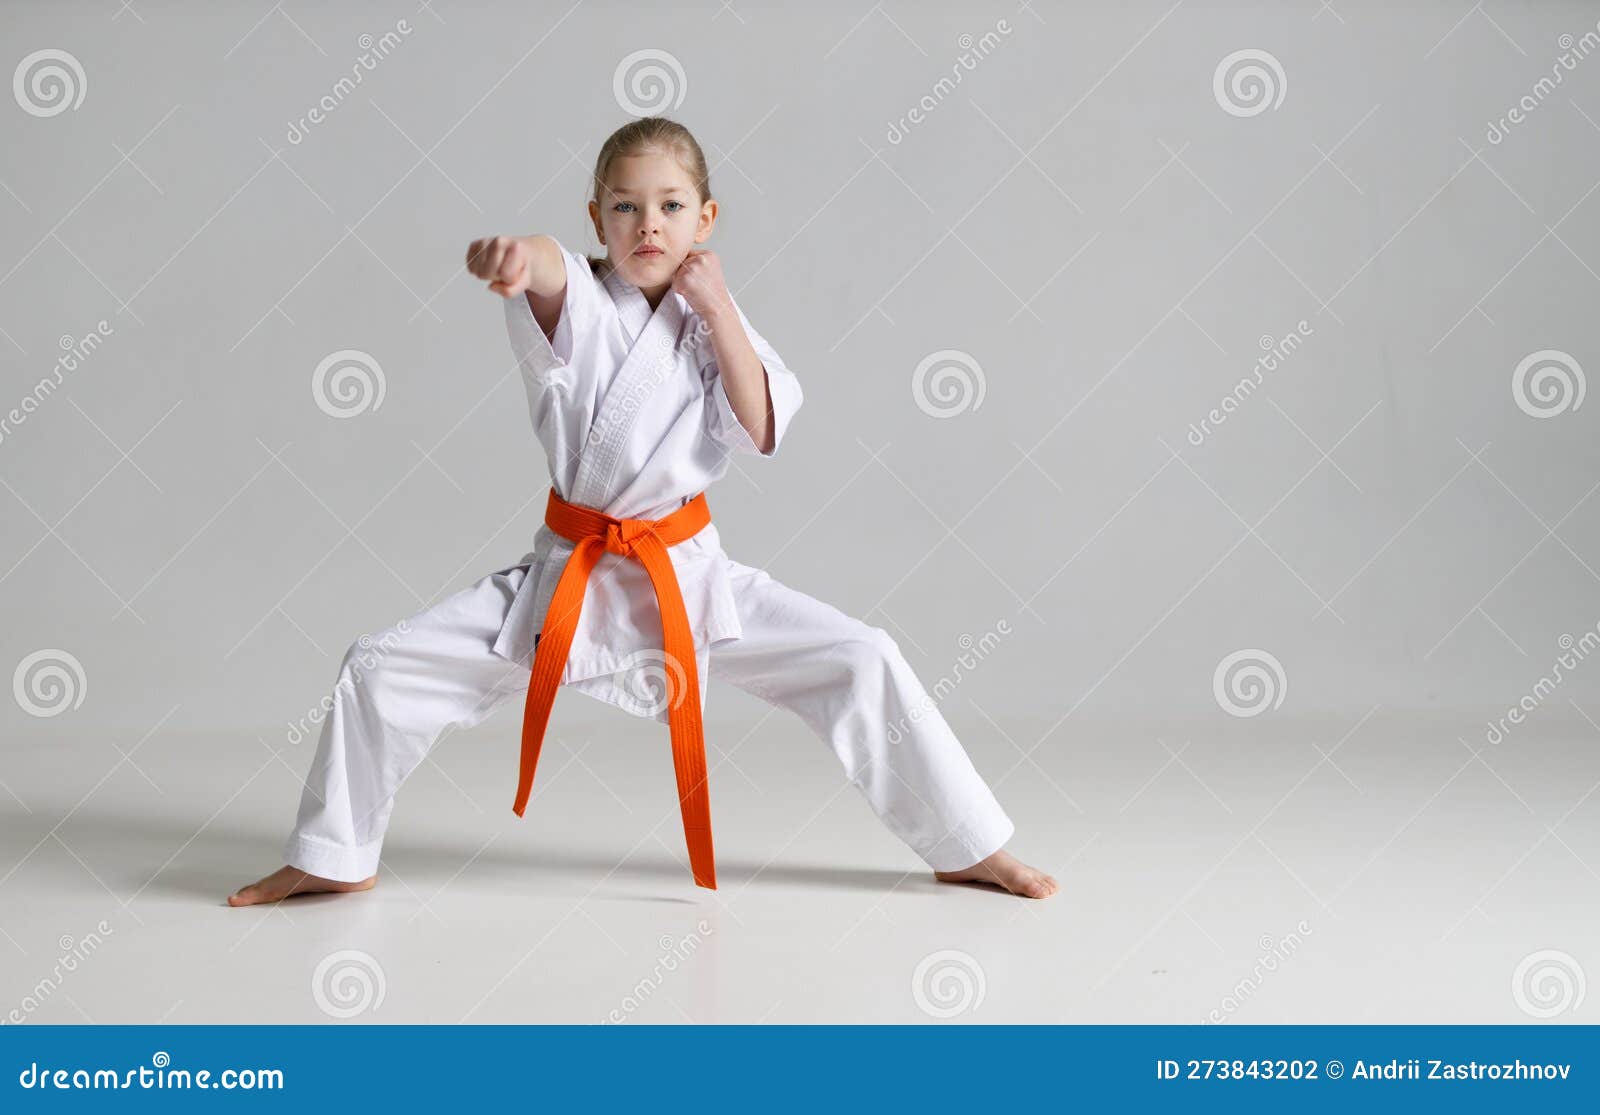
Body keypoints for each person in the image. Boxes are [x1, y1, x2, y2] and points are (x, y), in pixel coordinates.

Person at [229, 116, 1057, 906]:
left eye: (669, 206)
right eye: (624, 206)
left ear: (706, 218)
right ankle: (334, 856)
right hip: (569, 576)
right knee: (378, 665)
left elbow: (761, 425)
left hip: (687, 576)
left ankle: (968, 844)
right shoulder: (581, 301)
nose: (647, 225)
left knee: (862, 655)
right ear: (598, 217)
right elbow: (551, 270)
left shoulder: (715, 323)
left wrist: (720, 307)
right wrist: (522, 255)